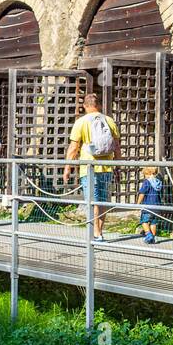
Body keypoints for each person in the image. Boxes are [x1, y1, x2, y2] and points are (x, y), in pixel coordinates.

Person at [63, 93, 122, 243]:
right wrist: (118, 167)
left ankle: (94, 233)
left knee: (91, 202)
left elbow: (73, 147)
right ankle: (99, 233)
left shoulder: (81, 122)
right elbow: (116, 147)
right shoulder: (109, 120)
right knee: (102, 202)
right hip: (107, 168)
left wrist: (67, 168)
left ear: (85, 106)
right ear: (99, 105)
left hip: (88, 168)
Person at [137, 167, 164, 244]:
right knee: (153, 223)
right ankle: (153, 237)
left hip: (148, 206)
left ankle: (149, 235)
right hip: (157, 206)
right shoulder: (158, 182)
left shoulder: (146, 182)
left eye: (144, 174)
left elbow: (142, 193)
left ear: (147, 174)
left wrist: (138, 203)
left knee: (144, 221)